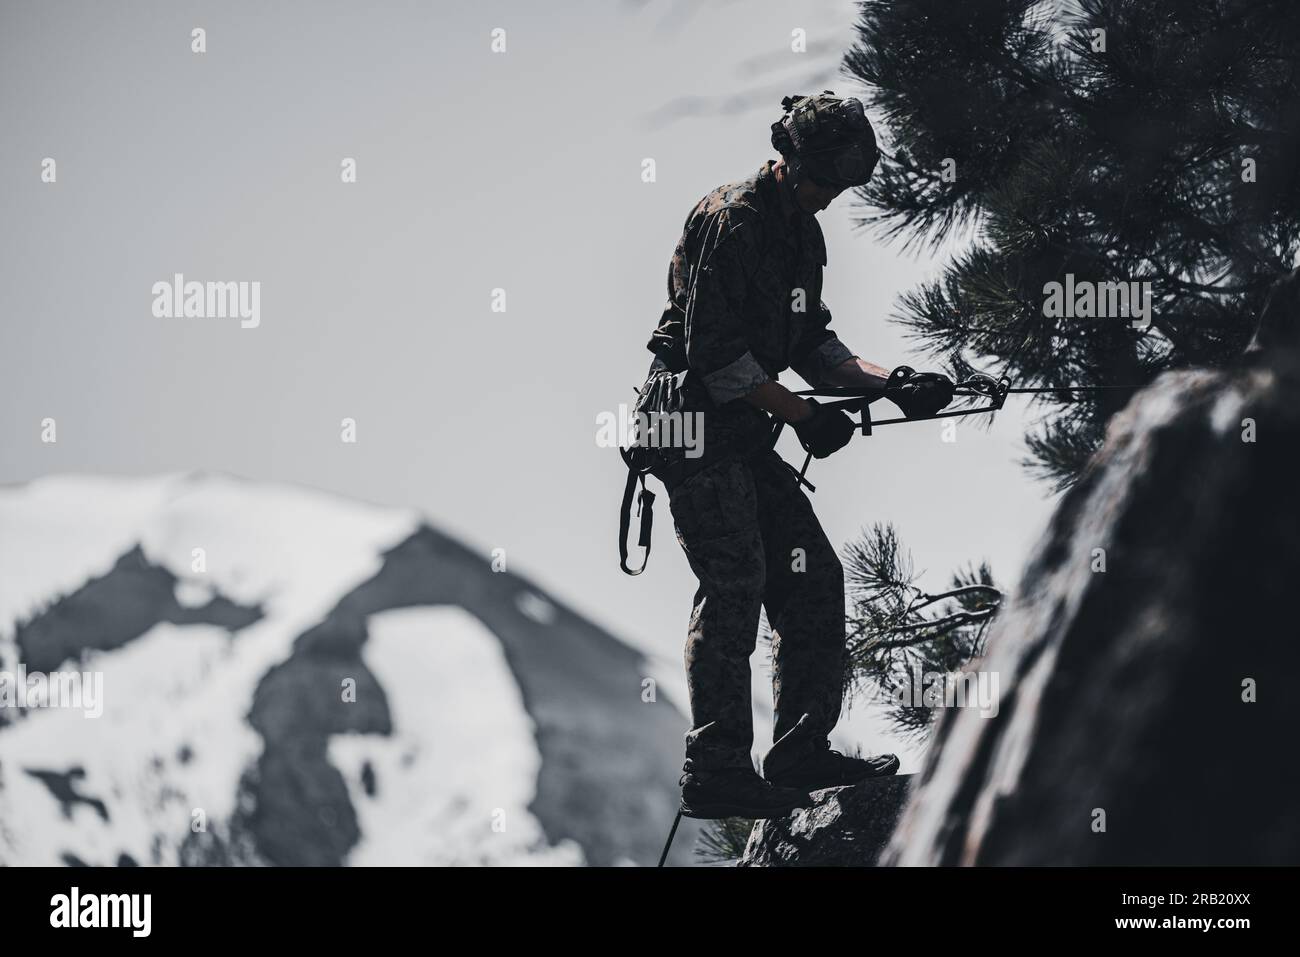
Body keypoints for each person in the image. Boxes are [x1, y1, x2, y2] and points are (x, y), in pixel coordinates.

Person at [635, 92, 955, 819]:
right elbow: (715, 358)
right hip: (689, 429)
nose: (830, 197)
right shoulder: (733, 220)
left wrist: (894, 383)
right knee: (736, 580)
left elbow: (814, 345)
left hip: (744, 437)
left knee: (814, 578)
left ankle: (799, 749)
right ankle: (716, 766)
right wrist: (803, 416)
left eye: (842, 187)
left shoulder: (804, 237)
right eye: (824, 181)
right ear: (792, 161)